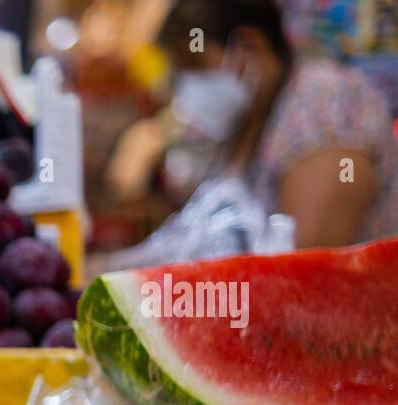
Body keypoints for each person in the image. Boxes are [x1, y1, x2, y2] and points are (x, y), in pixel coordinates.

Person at [155, 0, 397, 247]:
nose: (189, 84)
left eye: (196, 64)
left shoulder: (324, 100)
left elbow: (309, 264)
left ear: (249, 46)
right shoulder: (245, 122)